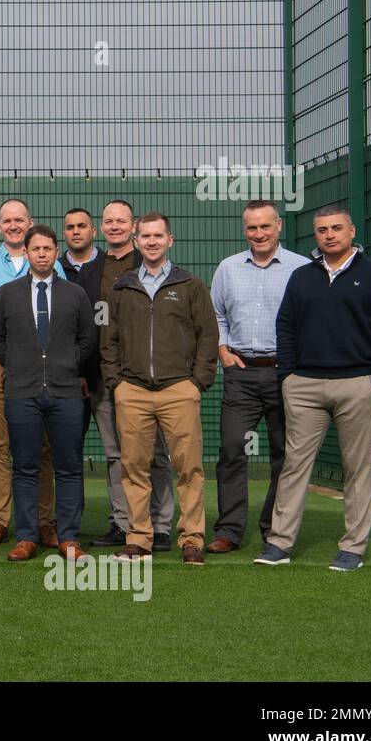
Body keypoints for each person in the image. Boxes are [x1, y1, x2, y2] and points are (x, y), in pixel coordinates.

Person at [255, 203, 371, 571]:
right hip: (303, 385)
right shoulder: (302, 276)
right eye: (322, 230)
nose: (329, 235)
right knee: (294, 466)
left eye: (336, 228)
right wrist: (288, 375)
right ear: (315, 235)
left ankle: (352, 548)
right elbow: (285, 326)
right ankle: (280, 544)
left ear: (351, 231)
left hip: (357, 384)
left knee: (357, 468)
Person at [102, 212, 218, 565]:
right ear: (137, 241)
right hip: (132, 391)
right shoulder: (122, 287)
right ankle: (139, 539)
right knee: (133, 467)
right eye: (146, 237)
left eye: (158, 236)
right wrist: (117, 383)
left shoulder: (191, 285)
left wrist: (197, 382)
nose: (151, 242)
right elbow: (109, 340)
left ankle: (192, 539)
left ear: (171, 240)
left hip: (178, 390)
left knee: (189, 467)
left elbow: (208, 336)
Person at [0, 225, 96, 562]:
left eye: (48, 249)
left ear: (54, 251)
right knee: (24, 467)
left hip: (65, 393)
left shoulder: (75, 294)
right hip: (23, 392)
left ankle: (69, 538)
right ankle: (26, 537)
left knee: (68, 467)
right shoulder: (7, 293)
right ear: (27, 252)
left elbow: (87, 338)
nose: (42, 254)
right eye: (35, 249)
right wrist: (20, 365)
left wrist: (67, 364)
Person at [208, 200, 309, 553]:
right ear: (244, 229)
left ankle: (274, 529)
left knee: (286, 454)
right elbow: (216, 315)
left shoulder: (302, 268)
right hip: (241, 373)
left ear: (278, 225)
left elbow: (311, 320)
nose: (259, 233)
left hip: (287, 374)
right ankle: (229, 531)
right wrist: (222, 350)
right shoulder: (228, 268)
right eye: (252, 227)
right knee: (232, 449)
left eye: (265, 226)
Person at [0, 199, 65, 548]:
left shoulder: (51, 263)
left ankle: (44, 521)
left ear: (30, 222)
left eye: (19, 219)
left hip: (40, 366)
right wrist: (7, 351)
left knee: (42, 446)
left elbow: (60, 310)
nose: (13, 225)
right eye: (6, 220)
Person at [84, 200, 177, 551]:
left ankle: (161, 525)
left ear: (134, 228)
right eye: (108, 221)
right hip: (106, 376)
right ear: (101, 227)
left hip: (149, 377)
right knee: (115, 455)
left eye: (121, 221)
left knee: (155, 454)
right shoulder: (92, 267)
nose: (114, 227)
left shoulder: (151, 265)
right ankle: (123, 524)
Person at [58, 207, 101, 440]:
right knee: (67, 448)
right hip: (66, 376)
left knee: (118, 450)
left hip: (106, 374)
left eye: (82, 226)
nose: (76, 231)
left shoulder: (109, 266)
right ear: (64, 233)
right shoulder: (53, 269)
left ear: (93, 230)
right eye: (70, 227)